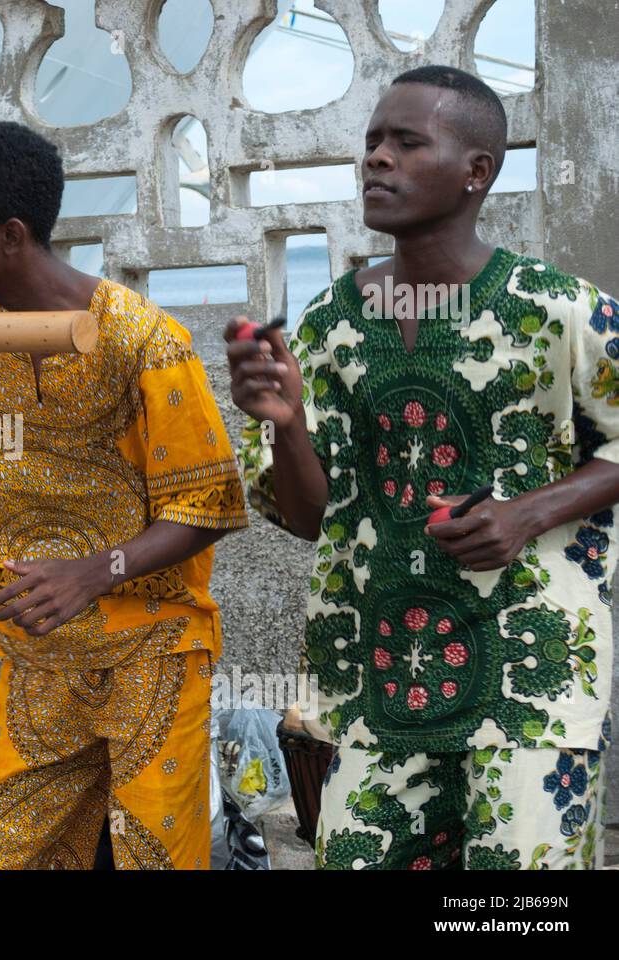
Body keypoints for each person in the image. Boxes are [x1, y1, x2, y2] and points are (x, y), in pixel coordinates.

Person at [230, 66, 614, 870]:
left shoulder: (559, 308)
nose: (377, 159)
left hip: (531, 677)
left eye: (407, 142)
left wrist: (528, 512)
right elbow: (310, 517)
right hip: (380, 678)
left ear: (478, 171)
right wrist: (289, 425)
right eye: (371, 142)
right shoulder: (334, 322)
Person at [0, 121, 248, 869]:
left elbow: (207, 508)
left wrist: (94, 573)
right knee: (12, 855)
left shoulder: (144, 340)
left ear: (10, 235)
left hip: (154, 652)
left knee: (155, 858)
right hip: (39, 653)